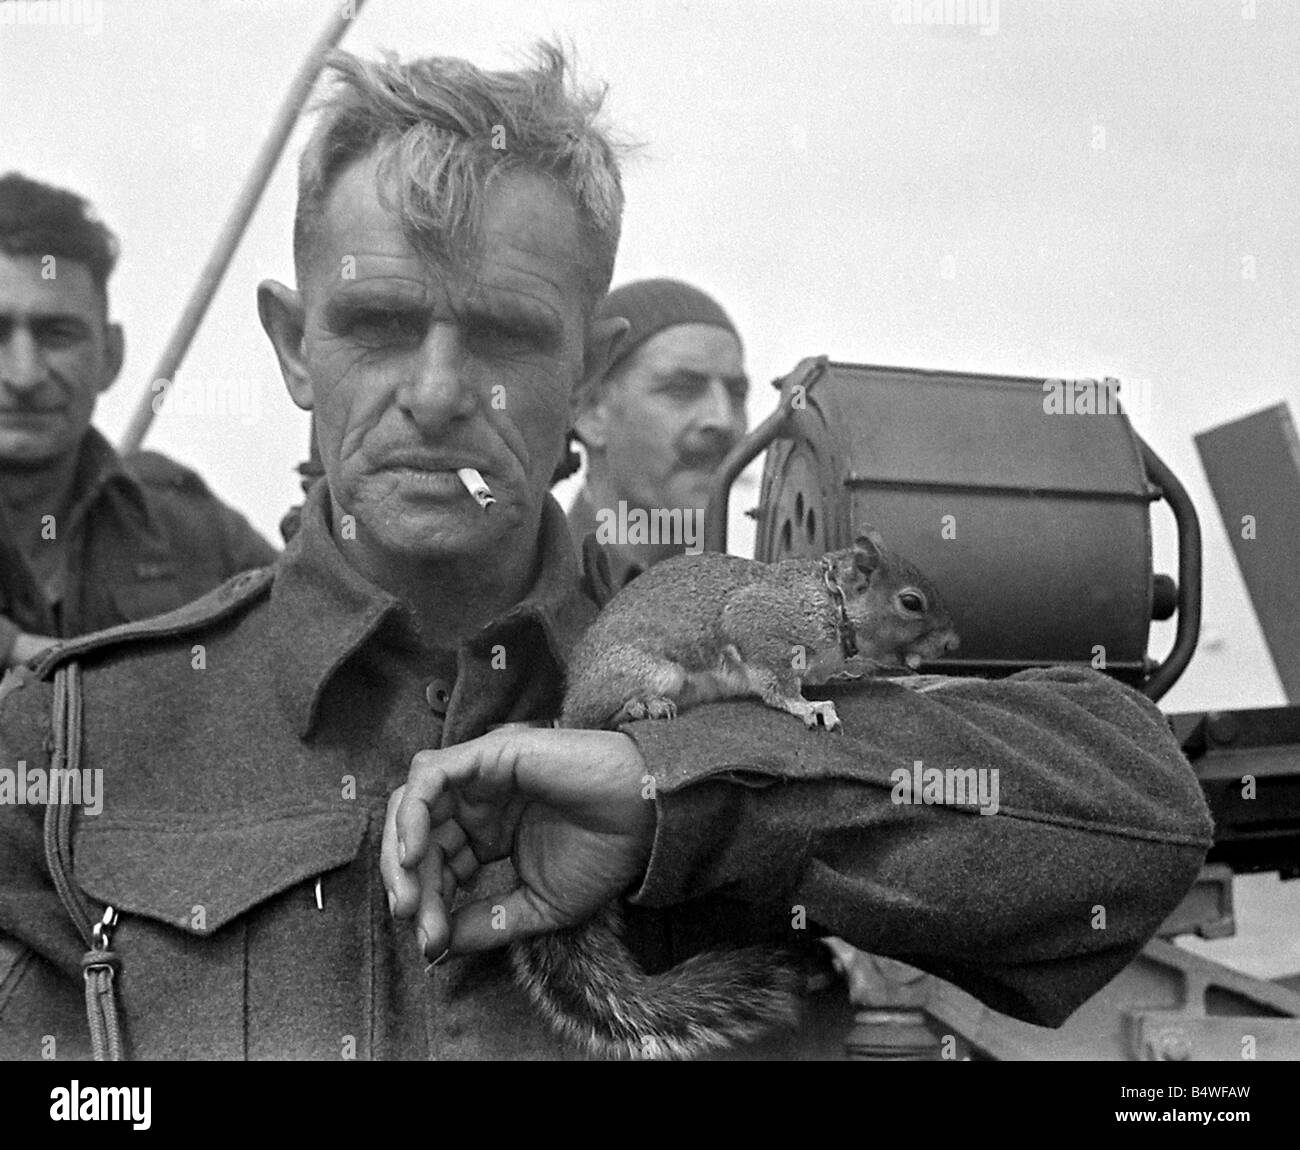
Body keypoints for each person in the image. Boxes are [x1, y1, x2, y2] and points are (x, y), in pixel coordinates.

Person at [0, 45, 1212, 1061]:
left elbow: (1135, 816)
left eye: (504, 333)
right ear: (289, 343)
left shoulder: (693, 653)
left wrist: (687, 802)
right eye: (375, 324)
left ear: (586, 371)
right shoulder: (79, 732)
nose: (434, 393)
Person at [0, 173, 277, 671]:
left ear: (111, 356)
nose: (24, 375)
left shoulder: (188, 528)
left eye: (57, 334)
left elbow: (321, 627)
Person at [566, 277, 748, 586]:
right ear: (590, 412)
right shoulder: (523, 594)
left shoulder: (753, 600)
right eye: (681, 389)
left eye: (736, 394)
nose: (723, 419)